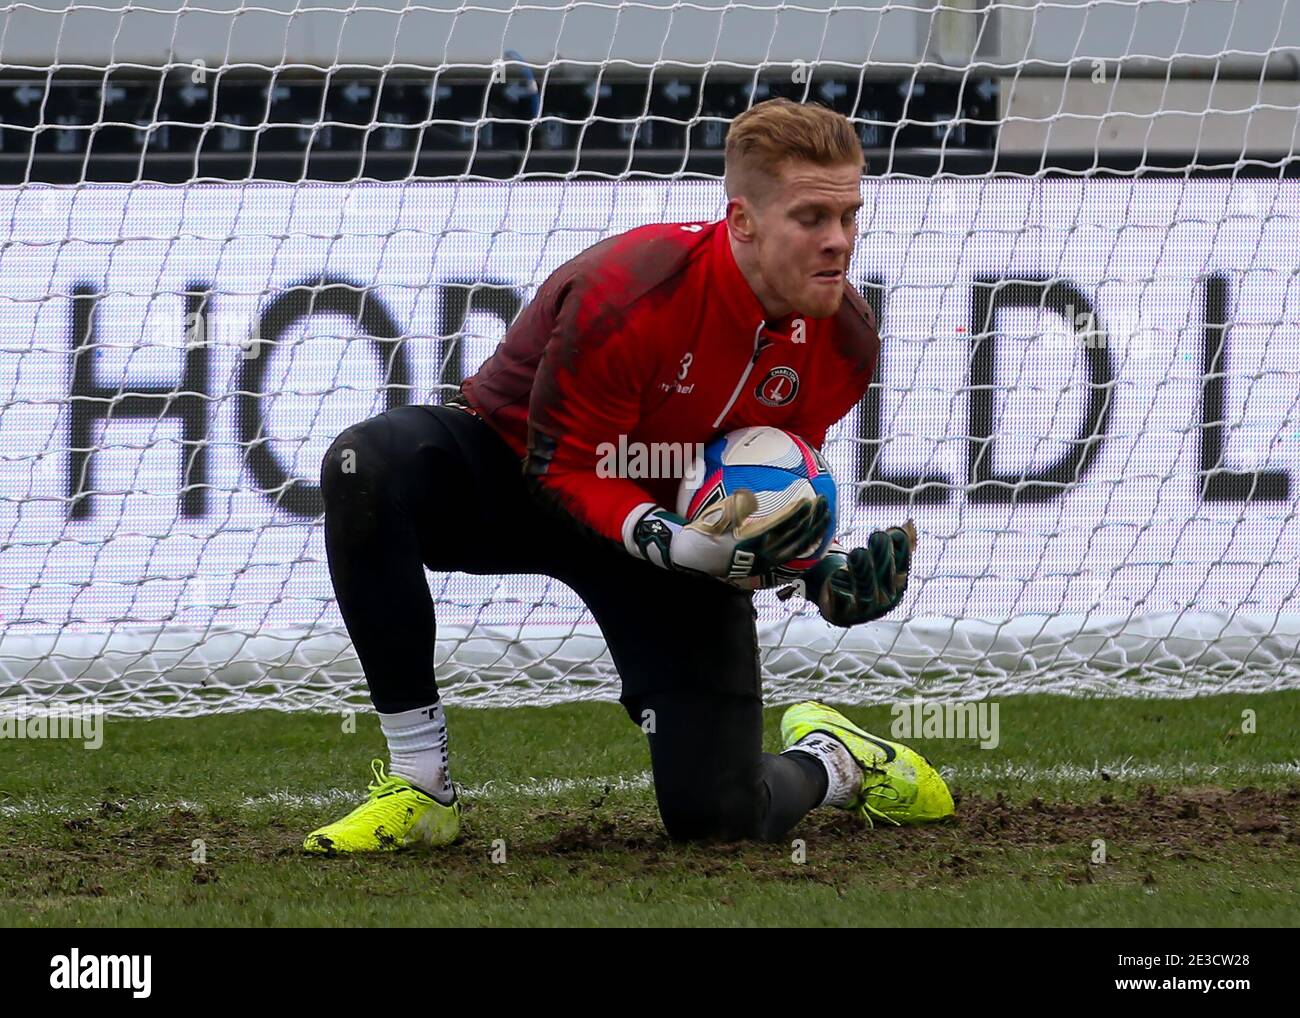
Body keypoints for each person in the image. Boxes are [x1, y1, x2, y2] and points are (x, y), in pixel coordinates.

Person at [303, 98, 953, 854]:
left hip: (672, 525)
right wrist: (677, 542)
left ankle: (835, 761)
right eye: (812, 218)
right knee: (364, 466)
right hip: (518, 473)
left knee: (719, 822)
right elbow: (564, 464)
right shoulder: (633, 293)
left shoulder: (843, 338)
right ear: (741, 220)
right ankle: (421, 788)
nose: (839, 242)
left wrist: (817, 575)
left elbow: (773, 480)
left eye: (849, 215)